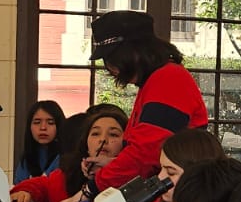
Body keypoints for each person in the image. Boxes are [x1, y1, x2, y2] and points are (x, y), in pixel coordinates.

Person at [86, 10, 208, 190]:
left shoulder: (169, 78)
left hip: (183, 191)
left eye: (112, 58)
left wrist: (91, 188)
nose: (110, 67)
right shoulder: (158, 79)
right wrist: (113, 164)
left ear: (134, 52)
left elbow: (146, 154)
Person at [11, 103, 128, 202]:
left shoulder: (131, 181)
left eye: (113, 134)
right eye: (95, 133)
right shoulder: (67, 175)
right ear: (85, 143)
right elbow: (41, 186)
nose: (103, 139)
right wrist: (25, 193)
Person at [14, 99, 65, 183]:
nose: (43, 127)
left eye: (50, 123)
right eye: (37, 122)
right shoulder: (26, 159)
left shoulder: (65, 157)